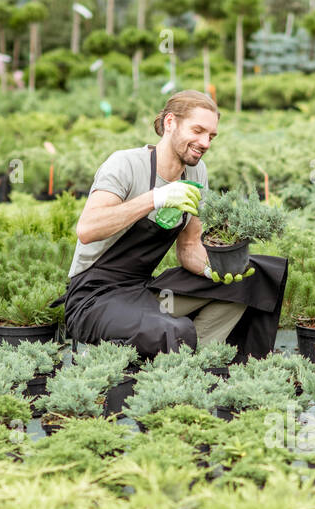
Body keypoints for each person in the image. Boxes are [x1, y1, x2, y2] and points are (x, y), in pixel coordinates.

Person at [64, 91, 287, 359]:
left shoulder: (196, 172)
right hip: (94, 297)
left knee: (253, 278)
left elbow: (190, 246)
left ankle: (199, 362)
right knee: (172, 330)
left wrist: (211, 271)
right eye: (198, 130)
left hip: (142, 289)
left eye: (211, 136)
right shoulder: (125, 164)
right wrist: (156, 198)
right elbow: (87, 230)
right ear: (170, 123)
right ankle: (169, 358)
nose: (205, 142)